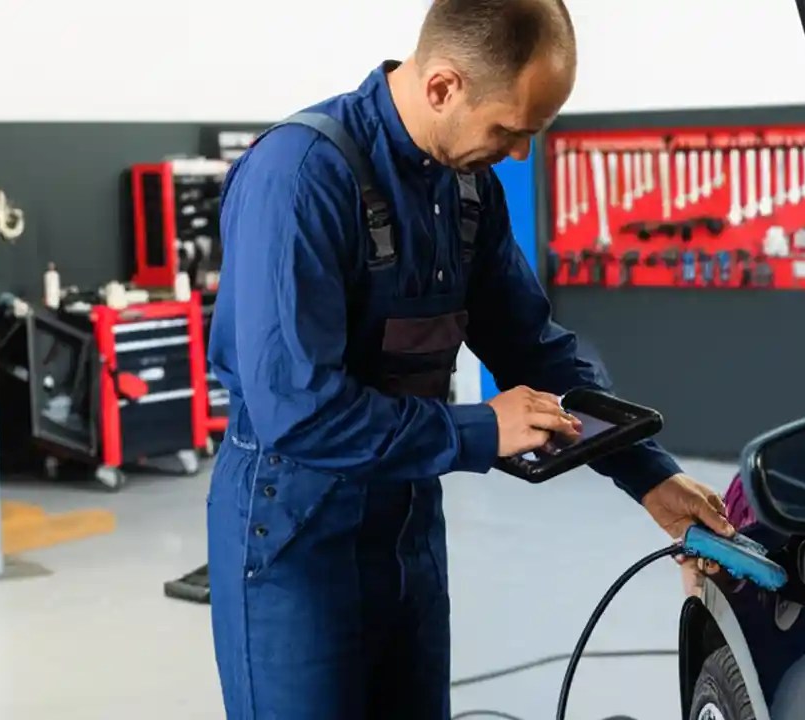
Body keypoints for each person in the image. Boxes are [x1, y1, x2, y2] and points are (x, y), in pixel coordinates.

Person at [205, 0, 735, 717]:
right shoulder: (299, 179)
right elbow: (295, 413)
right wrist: (478, 430)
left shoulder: (466, 187)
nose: (519, 154)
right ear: (443, 87)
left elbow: (533, 349)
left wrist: (651, 479)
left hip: (406, 518)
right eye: (510, 131)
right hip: (295, 536)